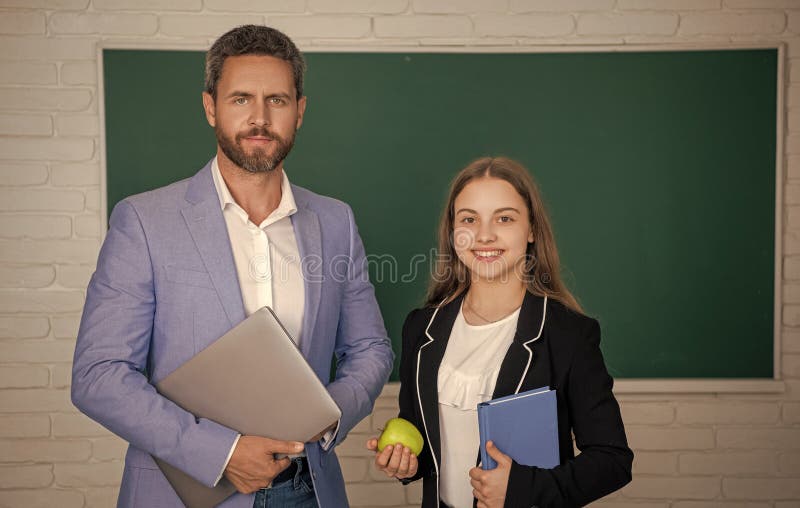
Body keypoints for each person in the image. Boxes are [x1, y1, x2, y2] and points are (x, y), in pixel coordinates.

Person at [72, 25, 394, 508]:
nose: (259, 118)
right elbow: (99, 374)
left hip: (309, 490)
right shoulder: (144, 220)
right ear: (210, 107)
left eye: (278, 100)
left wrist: (329, 414)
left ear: (300, 112)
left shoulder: (335, 222)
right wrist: (220, 453)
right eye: (241, 98)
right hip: (183, 492)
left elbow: (370, 348)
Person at [366, 157, 633, 507]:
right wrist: (406, 462)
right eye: (469, 219)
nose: (485, 235)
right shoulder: (421, 327)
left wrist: (524, 489)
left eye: (504, 218)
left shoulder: (568, 334)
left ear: (532, 230)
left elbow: (612, 460)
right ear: (453, 232)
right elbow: (425, 438)